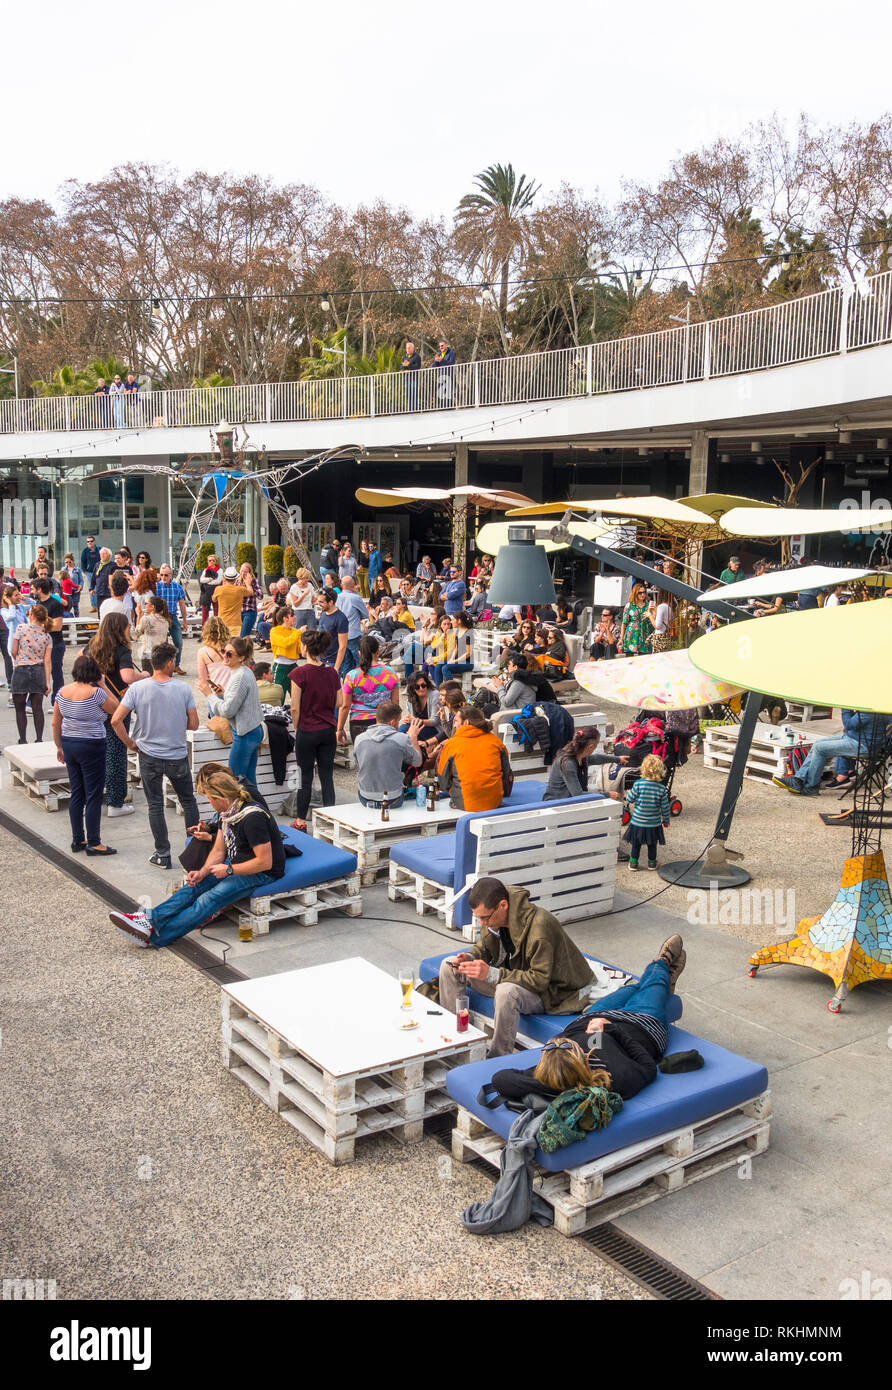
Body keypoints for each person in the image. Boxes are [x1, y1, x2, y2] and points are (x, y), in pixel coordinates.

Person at [490, 935, 687, 1103]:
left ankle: (659, 984)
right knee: (654, 982)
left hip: (594, 1015)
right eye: (566, 1047)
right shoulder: (614, 1076)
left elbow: (500, 1079)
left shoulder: (554, 1071)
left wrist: (549, 1086)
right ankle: (663, 963)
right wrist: (611, 1030)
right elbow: (648, 1068)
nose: (556, 1044)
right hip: (641, 1023)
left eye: (550, 1046)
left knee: (630, 988)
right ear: (580, 1063)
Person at [109, 764, 285, 949]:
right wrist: (202, 872)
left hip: (262, 871)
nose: (208, 802)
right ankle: (148, 920)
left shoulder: (252, 818)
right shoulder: (228, 812)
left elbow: (265, 862)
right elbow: (218, 851)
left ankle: (155, 937)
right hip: (238, 862)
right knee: (193, 887)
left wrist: (229, 869)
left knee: (208, 899)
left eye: (209, 799)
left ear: (220, 798)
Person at [437, 877, 598, 1056]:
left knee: (507, 992)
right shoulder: (493, 916)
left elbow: (539, 980)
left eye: (485, 918)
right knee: (449, 965)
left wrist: (492, 974)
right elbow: (485, 946)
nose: (482, 923)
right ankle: (454, 1043)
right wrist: (470, 956)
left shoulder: (539, 927)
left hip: (553, 993)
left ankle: (497, 1057)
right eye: (478, 918)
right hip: (515, 976)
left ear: (503, 905)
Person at [111, 642, 200, 870]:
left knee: (155, 805)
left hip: (148, 754)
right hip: (177, 754)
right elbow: (194, 724)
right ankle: (194, 852)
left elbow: (115, 720)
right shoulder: (182, 689)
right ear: (170, 662)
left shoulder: (138, 689)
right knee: (188, 801)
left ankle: (162, 853)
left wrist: (130, 743)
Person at [51, 651, 121, 856]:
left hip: (69, 743)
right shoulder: (97, 693)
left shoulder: (62, 692)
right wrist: (105, 685)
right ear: (94, 673)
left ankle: (77, 839)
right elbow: (116, 708)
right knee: (93, 794)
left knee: (77, 793)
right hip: (92, 745)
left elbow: (56, 722)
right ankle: (94, 842)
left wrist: (59, 746)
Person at [89, 611, 149, 818]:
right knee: (116, 750)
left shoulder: (92, 646)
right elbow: (127, 676)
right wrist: (143, 675)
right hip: (116, 703)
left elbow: (81, 662)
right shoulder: (122, 650)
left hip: (94, 701)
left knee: (98, 750)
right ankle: (115, 802)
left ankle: (98, 793)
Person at [289, 627, 343, 827]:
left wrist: (296, 728)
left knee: (305, 777)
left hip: (307, 728)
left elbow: (295, 707)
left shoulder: (299, 673)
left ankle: (301, 819)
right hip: (327, 728)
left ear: (304, 647)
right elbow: (339, 701)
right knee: (327, 775)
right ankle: (330, 818)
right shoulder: (332, 672)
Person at [772, 710, 892, 797]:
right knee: (818, 743)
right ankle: (798, 779)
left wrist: (845, 709)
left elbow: (849, 725)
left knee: (820, 749)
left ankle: (811, 786)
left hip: (862, 745)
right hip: (857, 739)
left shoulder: (869, 711)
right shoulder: (877, 708)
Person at [207, 635, 265, 783]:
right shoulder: (245, 672)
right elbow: (240, 701)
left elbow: (227, 711)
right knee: (249, 781)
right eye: (224, 651)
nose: (224, 656)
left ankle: (250, 806)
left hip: (244, 734)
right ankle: (257, 806)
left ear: (241, 658)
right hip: (253, 729)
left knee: (234, 781)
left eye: (229, 654)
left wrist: (209, 695)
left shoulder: (239, 677)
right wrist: (224, 694)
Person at [438, 705, 513, 811]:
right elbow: (506, 773)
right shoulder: (495, 741)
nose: (454, 725)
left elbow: (443, 782)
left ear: (466, 723)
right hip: (494, 801)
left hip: (465, 803)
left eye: (456, 721)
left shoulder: (451, 744)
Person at [354, 701, 423, 809]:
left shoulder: (359, 739)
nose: (399, 725)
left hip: (365, 796)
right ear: (392, 722)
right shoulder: (401, 739)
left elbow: (360, 762)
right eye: (398, 722)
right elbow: (418, 762)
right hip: (393, 798)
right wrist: (413, 737)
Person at [337, 635, 400, 748]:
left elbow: (345, 706)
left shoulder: (351, 676)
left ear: (359, 653)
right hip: (385, 722)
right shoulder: (391, 673)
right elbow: (395, 703)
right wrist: (395, 726)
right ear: (378, 651)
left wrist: (340, 729)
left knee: (364, 760)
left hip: (359, 723)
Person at [544, 726, 626, 800]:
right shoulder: (568, 763)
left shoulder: (579, 755)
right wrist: (607, 795)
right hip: (555, 804)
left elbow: (596, 758)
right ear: (591, 746)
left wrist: (618, 759)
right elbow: (578, 794)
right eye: (597, 743)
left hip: (568, 800)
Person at [620, 753, 671, 871]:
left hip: (638, 822)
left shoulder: (638, 784)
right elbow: (665, 807)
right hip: (654, 823)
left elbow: (630, 799)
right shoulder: (661, 788)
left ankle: (633, 863)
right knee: (652, 844)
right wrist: (666, 820)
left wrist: (630, 794)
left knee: (636, 843)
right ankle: (652, 863)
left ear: (643, 769)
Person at [10, 603, 52, 742]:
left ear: (32, 615)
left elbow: (13, 651)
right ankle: (39, 739)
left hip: (21, 670)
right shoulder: (47, 636)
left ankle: (23, 739)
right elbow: (47, 661)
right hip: (38, 671)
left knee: (20, 708)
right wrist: (47, 682)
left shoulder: (21, 628)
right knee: (37, 708)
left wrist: (20, 659)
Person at [30, 577, 65, 703]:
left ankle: (56, 701)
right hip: (40, 645)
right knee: (37, 672)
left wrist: (39, 627)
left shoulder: (55, 604)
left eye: (33, 589)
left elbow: (58, 626)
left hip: (56, 644)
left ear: (39, 590)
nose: (31, 591)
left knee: (56, 673)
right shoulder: (37, 604)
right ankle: (32, 701)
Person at [154, 564, 189, 673]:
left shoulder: (176, 586)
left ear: (171, 575)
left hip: (173, 617)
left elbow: (182, 604)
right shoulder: (156, 587)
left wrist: (184, 621)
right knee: (163, 645)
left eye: (166, 575)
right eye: (161, 575)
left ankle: (176, 665)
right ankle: (165, 668)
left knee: (178, 642)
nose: (163, 577)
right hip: (160, 618)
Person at [336, 574, 369, 672]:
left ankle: (347, 684)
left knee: (346, 663)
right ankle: (360, 683)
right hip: (353, 633)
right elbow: (365, 614)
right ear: (353, 585)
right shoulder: (355, 598)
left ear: (342, 585)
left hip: (340, 634)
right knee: (359, 662)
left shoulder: (337, 597)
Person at [269, 606, 302, 702]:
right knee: (279, 698)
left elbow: (300, 650)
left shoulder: (295, 632)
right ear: (285, 619)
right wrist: (299, 633)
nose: (295, 617)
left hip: (294, 666)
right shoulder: (274, 631)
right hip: (280, 668)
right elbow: (285, 643)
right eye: (292, 615)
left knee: (299, 698)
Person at [196, 616, 232, 700]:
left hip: (216, 693)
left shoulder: (203, 652)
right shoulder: (232, 647)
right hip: (234, 691)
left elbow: (204, 680)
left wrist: (209, 696)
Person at [435, 611, 474, 685]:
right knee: (439, 665)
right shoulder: (457, 632)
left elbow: (468, 653)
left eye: (453, 620)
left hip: (467, 663)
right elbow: (456, 648)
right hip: (457, 660)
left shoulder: (469, 634)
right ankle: (439, 690)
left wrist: (455, 660)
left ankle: (452, 691)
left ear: (459, 621)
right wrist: (452, 658)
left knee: (445, 668)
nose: (451, 621)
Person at [212, 565, 250, 640]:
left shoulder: (218, 589)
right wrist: (248, 583)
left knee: (223, 645)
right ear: (235, 579)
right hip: (236, 623)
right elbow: (250, 592)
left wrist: (223, 584)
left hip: (222, 622)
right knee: (234, 646)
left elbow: (214, 600)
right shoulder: (240, 590)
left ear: (225, 578)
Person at [315, 588, 349, 672]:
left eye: (321, 602)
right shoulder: (323, 614)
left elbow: (343, 646)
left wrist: (336, 668)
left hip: (333, 661)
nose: (318, 604)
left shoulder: (341, 619)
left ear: (330, 602)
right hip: (321, 658)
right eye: (318, 601)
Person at [134, 594, 170, 670]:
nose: (145, 605)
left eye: (147, 603)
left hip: (148, 652)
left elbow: (137, 632)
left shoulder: (146, 619)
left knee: (148, 677)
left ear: (152, 607)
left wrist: (139, 615)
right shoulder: (165, 621)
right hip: (160, 653)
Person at [238, 563, 262, 637]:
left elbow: (260, 596)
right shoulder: (237, 581)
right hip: (238, 612)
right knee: (238, 636)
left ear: (250, 572)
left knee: (243, 635)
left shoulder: (254, 581)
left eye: (245, 571)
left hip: (249, 611)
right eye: (242, 571)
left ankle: (245, 648)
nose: (243, 573)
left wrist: (249, 585)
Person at [198, 553, 222, 626]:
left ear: (215, 562)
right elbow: (201, 580)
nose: (210, 562)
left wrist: (207, 581)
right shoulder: (206, 570)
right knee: (204, 614)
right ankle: (204, 631)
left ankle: (217, 629)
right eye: (209, 560)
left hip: (216, 592)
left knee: (217, 613)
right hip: (205, 593)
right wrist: (211, 578)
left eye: (212, 560)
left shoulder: (220, 570)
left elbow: (218, 581)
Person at [433, 338, 456, 405]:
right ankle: (441, 407)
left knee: (449, 392)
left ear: (446, 345)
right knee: (440, 392)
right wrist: (436, 361)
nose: (441, 347)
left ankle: (450, 407)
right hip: (440, 376)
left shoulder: (451, 353)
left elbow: (452, 363)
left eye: (442, 345)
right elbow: (434, 366)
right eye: (440, 346)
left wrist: (442, 360)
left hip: (448, 375)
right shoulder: (439, 354)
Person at [401, 340, 421, 410]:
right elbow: (401, 366)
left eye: (409, 348)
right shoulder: (404, 356)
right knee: (408, 394)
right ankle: (410, 408)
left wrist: (409, 365)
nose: (408, 349)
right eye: (407, 348)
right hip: (407, 379)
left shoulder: (417, 356)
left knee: (414, 394)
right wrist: (405, 366)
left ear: (413, 348)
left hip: (414, 378)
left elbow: (417, 366)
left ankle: (414, 408)